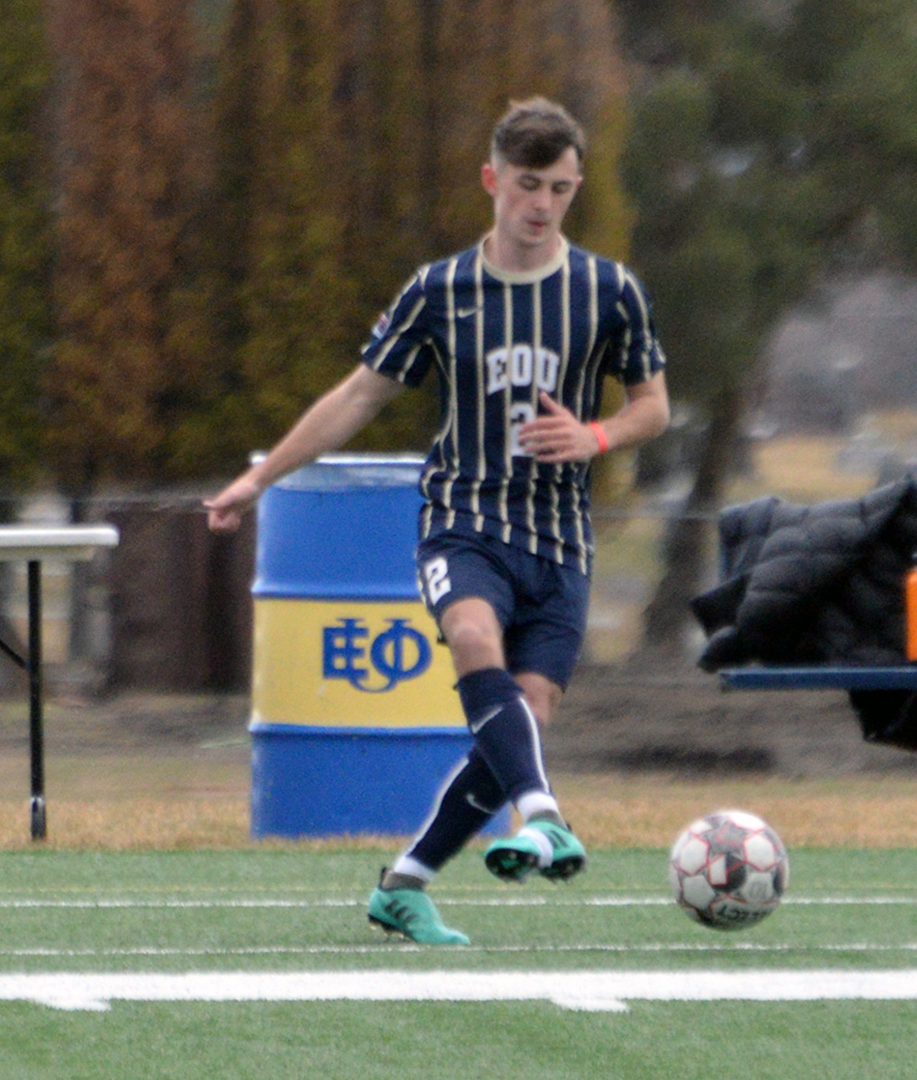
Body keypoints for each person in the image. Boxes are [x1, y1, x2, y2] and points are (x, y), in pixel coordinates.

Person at [206, 96, 670, 945]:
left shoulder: (609, 292)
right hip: (463, 519)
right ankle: (546, 816)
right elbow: (357, 397)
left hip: (561, 544)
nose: (543, 206)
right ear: (493, 180)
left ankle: (404, 883)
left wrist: (595, 434)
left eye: (561, 189)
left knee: (522, 715)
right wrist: (260, 479)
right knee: (470, 634)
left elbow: (653, 407)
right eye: (529, 185)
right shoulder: (441, 289)